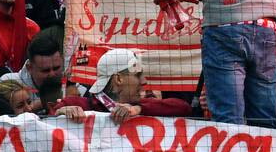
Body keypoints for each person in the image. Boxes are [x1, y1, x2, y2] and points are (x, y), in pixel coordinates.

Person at [54, 48, 193, 122]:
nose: (144, 81)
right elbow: (45, 122)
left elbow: (183, 108)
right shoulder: (78, 104)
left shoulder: (141, 105)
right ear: (119, 79)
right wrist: (61, 113)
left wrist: (139, 109)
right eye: (137, 75)